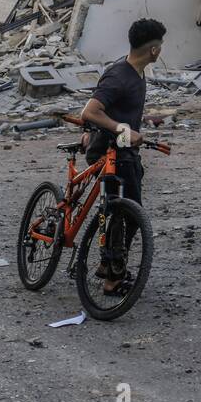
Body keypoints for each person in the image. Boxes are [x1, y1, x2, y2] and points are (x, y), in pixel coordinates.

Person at [79, 18, 166, 294]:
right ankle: (112, 278)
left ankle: (108, 264)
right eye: (160, 46)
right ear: (153, 50)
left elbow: (107, 110)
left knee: (126, 210)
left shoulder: (135, 73)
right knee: (124, 213)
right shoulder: (120, 75)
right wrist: (124, 129)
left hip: (125, 149)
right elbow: (90, 111)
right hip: (110, 152)